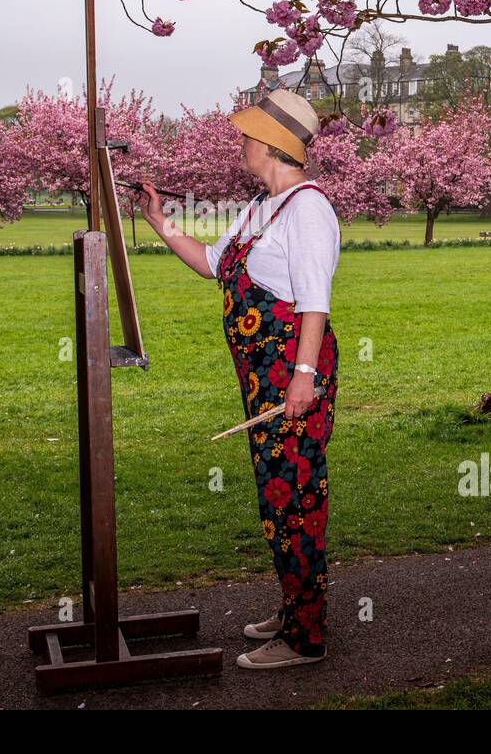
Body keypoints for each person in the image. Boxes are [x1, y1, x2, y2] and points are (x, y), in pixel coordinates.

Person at [135, 88, 340, 670]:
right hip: (264, 381)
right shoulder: (261, 208)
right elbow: (211, 264)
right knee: (277, 497)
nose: (241, 143)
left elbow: (314, 303)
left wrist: (301, 378)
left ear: (274, 143)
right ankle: (296, 607)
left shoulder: (307, 209)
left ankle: (306, 639)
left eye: (249, 135)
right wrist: (160, 222)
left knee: (295, 497)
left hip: (292, 380)